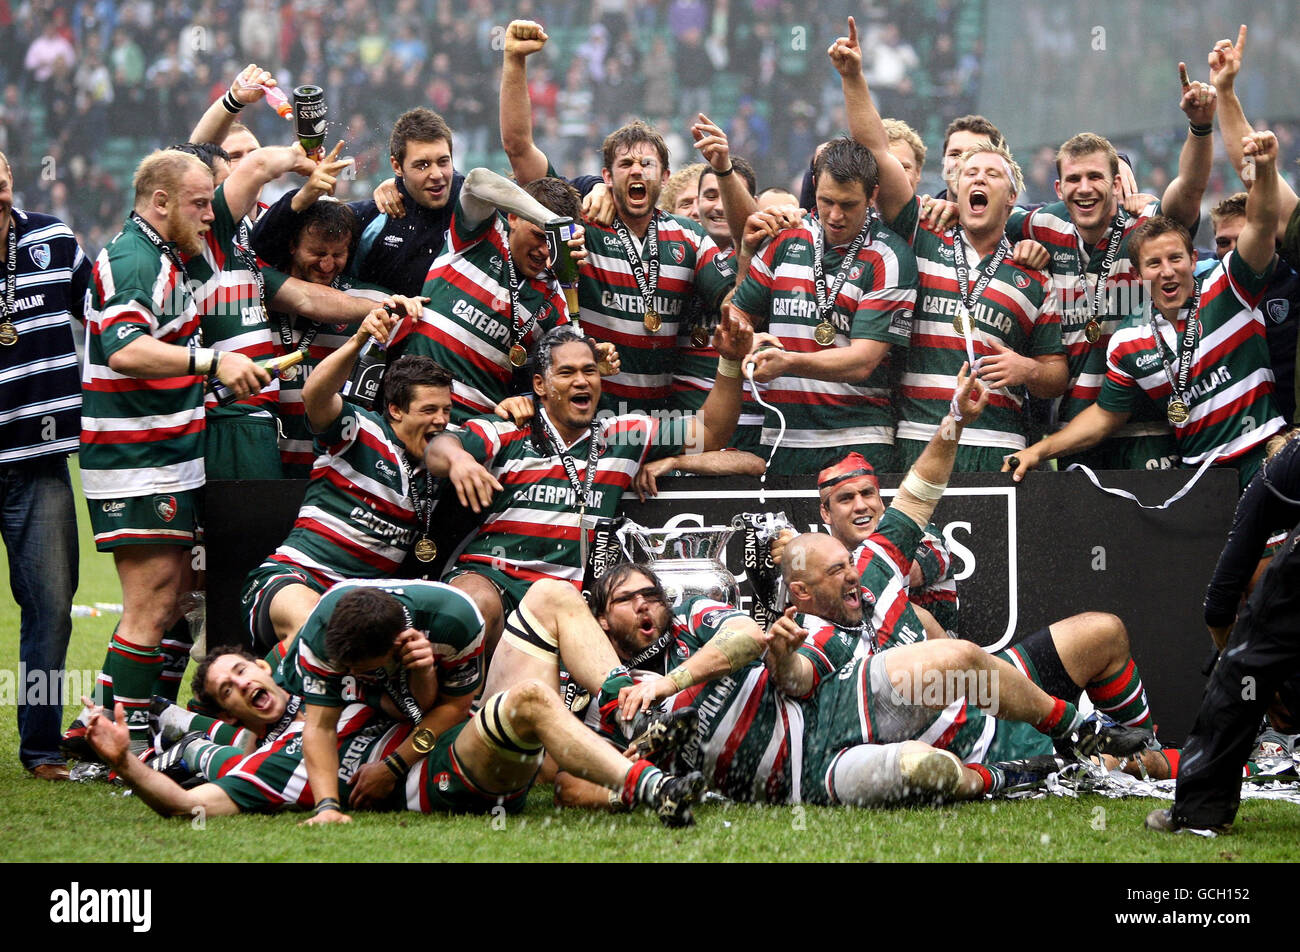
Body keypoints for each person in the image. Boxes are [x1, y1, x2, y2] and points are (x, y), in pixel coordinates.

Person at [80, 636, 705, 826]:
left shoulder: (335, 682)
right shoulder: (268, 767)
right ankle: (650, 784)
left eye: (242, 671)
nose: (243, 686)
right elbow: (188, 803)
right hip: (451, 775)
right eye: (228, 692)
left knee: (546, 595)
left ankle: (630, 718)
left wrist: (418, 658)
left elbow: (431, 706)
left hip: (443, 739)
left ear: (264, 667)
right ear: (231, 714)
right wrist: (124, 762)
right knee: (533, 701)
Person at [77, 149, 269, 750]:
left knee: (169, 601)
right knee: (151, 607)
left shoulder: (164, 253)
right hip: (137, 460)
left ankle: (107, 736)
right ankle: (123, 749)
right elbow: (124, 351)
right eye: (197, 203)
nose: (208, 213)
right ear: (161, 203)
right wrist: (213, 360)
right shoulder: (136, 259)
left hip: (162, 456)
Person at [426, 318, 750, 656]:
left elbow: (710, 432)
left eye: (589, 371)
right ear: (540, 384)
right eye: (566, 373)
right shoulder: (511, 430)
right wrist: (459, 459)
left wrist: (729, 362)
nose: (581, 381)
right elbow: (438, 448)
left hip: (567, 600)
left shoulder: (624, 434)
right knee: (471, 605)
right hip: (495, 579)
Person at [833, 17, 1067, 472]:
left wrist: (1029, 371)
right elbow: (877, 154)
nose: (978, 176)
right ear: (953, 191)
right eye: (967, 173)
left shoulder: (1034, 273)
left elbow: (1056, 373)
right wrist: (853, 77)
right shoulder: (921, 234)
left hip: (999, 445)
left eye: (992, 172)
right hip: (920, 438)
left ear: (1012, 196)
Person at [1006, 132, 1287, 492]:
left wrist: (1238, 153)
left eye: (1175, 259)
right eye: (1154, 263)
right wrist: (946, 209)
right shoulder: (1130, 338)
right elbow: (1105, 417)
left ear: (1195, 258)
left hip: (1214, 447)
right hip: (1174, 465)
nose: (1167, 270)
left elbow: (1231, 209)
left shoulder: (1225, 285)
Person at [497, 20, 734, 415]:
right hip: (590, 418)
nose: (637, 171)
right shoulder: (582, 221)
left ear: (666, 176)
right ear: (607, 176)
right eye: (625, 164)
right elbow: (519, 149)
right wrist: (514, 62)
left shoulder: (690, 237)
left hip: (661, 421)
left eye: (647, 163)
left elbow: (732, 300)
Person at [1002, 60, 1217, 470]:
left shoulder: (1145, 227)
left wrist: (1200, 128)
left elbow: (1189, 188)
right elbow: (985, 220)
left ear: (1117, 182)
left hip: (1149, 429)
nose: (1085, 188)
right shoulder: (1039, 223)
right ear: (1059, 187)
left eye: (1096, 177)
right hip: (1073, 429)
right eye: (1075, 179)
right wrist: (943, 203)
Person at [239, 307, 452, 649]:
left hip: (362, 611)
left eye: (446, 410)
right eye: (429, 410)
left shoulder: (443, 457)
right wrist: (358, 341)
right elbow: (315, 396)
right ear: (395, 409)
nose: (441, 420)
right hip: (295, 580)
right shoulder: (360, 429)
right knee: (320, 630)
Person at [729, 135, 919, 475]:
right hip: (785, 436)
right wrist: (746, 338)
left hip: (860, 438)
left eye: (848, 205)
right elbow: (738, 313)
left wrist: (788, 362)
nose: (834, 215)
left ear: (872, 195)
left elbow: (863, 361)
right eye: (826, 200)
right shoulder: (786, 237)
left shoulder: (890, 256)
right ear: (814, 184)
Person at [1148, 431, 1300, 833]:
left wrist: (1232, 663)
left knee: (1239, 673)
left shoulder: (1270, 478)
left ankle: (1199, 811)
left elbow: (1219, 600)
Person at [0, 150, 90, 781]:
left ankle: (41, 749)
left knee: (52, 608)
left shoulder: (52, 239)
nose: (1, 195)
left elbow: (108, 315)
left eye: (2, 182)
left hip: (38, 461)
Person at [391, 168, 589, 426]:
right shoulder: (480, 235)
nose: (544, 251)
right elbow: (477, 181)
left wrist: (593, 357)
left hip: (476, 429)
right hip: (411, 412)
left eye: (553, 244)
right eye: (540, 235)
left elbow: (558, 380)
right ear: (515, 218)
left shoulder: (555, 298)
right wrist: (555, 226)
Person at [252, 107, 464, 296]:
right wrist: (304, 195)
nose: (436, 174)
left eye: (443, 161)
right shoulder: (372, 217)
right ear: (397, 167)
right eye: (422, 165)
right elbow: (260, 249)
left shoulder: (471, 206)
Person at [1205, 194, 1298, 425]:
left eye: (1244, 238)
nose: (1234, 251)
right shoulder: (1204, 284)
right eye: (1223, 242)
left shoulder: (1295, 280)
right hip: (1236, 432)